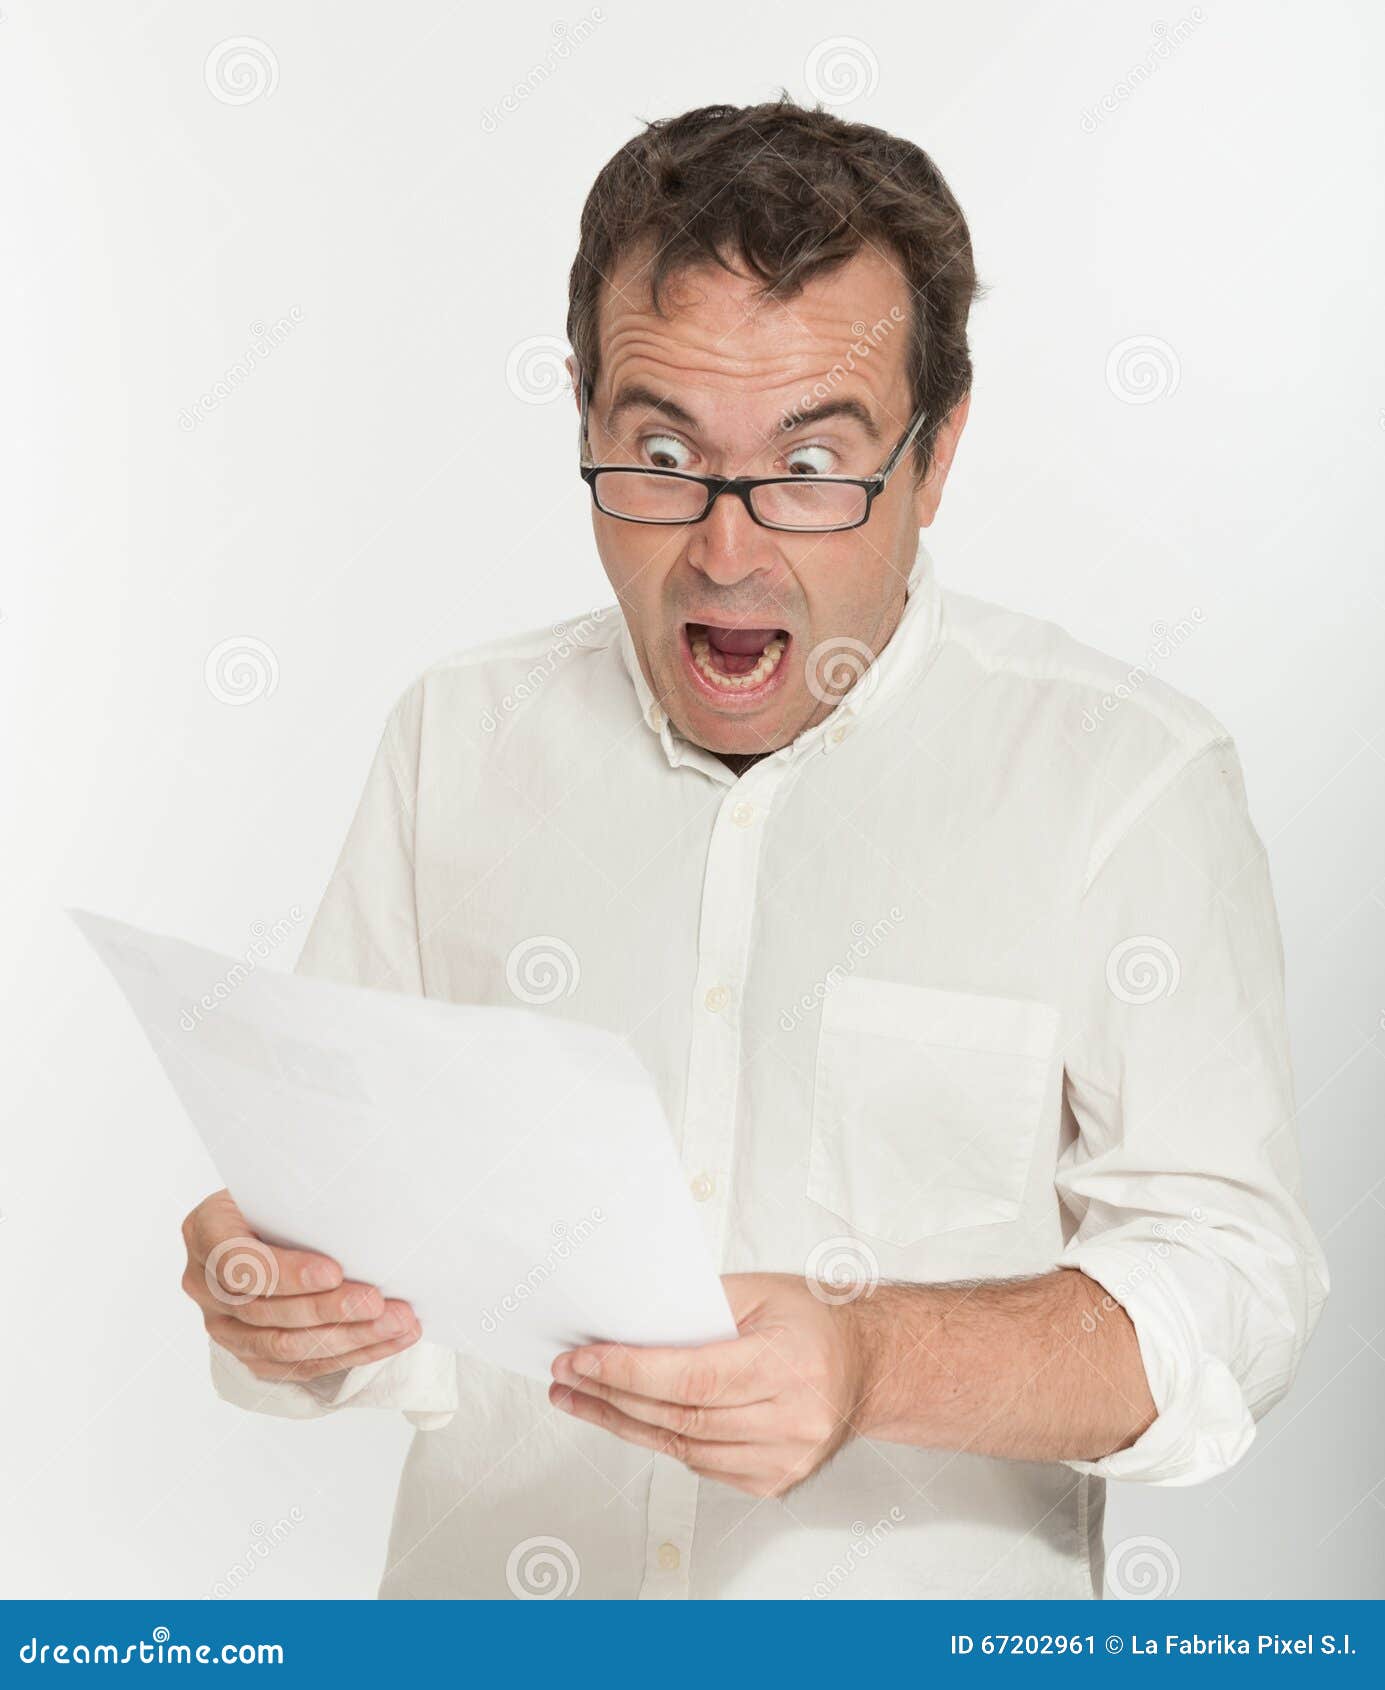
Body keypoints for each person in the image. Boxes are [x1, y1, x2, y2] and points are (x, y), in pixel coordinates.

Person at [180, 99, 1327, 1600]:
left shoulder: (1122, 777)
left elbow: (1234, 1291)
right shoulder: (452, 740)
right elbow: (333, 1228)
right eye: (659, 450)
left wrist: (871, 1359)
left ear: (934, 457)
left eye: (810, 464)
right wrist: (275, 1298)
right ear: (582, 415)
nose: (725, 552)